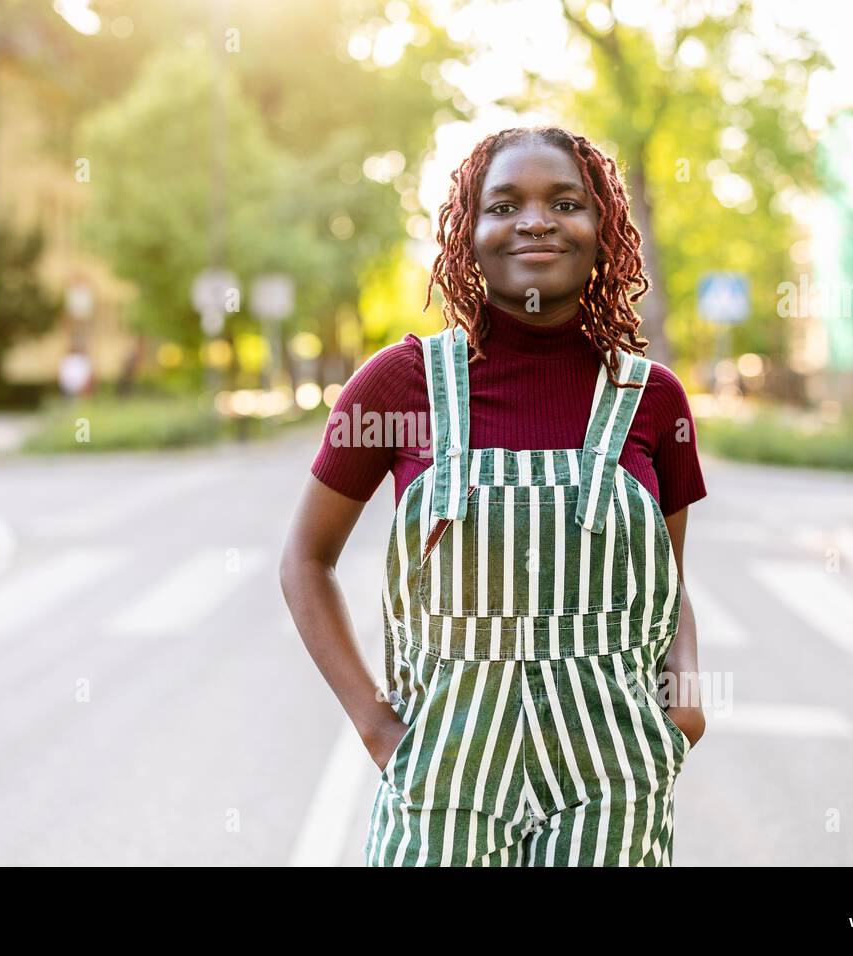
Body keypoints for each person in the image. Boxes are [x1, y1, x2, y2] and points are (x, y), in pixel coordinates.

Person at [279, 125, 708, 866]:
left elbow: (664, 583)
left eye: (565, 202)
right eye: (504, 204)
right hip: (445, 780)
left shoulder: (652, 399)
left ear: (602, 229)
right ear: (467, 235)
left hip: (612, 782)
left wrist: (686, 700)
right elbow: (304, 561)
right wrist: (378, 728)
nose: (535, 220)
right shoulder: (399, 384)